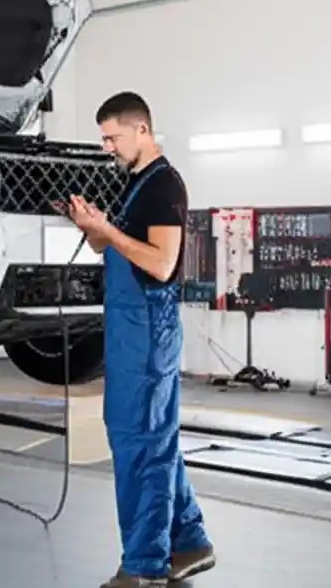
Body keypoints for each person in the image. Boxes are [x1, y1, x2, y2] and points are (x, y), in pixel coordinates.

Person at [60, 91, 215, 587]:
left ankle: (144, 564)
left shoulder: (162, 186)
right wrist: (92, 227)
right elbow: (116, 246)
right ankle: (189, 542)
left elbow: (162, 263)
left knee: (139, 442)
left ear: (141, 130)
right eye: (103, 139)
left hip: (148, 326)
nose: (108, 147)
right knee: (152, 437)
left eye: (113, 137)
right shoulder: (134, 183)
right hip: (131, 327)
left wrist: (110, 230)